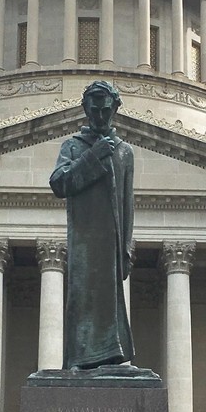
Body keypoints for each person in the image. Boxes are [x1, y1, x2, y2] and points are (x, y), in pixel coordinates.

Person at [49, 80, 135, 369]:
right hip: (84, 236)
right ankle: (78, 358)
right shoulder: (73, 146)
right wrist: (93, 157)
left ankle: (111, 355)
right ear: (86, 110)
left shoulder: (124, 152)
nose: (100, 116)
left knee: (110, 303)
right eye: (94, 110)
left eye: (105, 110)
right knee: (81, 298)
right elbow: (59, 182)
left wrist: (126, 246)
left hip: (110, 240)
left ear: (115, 110)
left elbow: (127, 203)